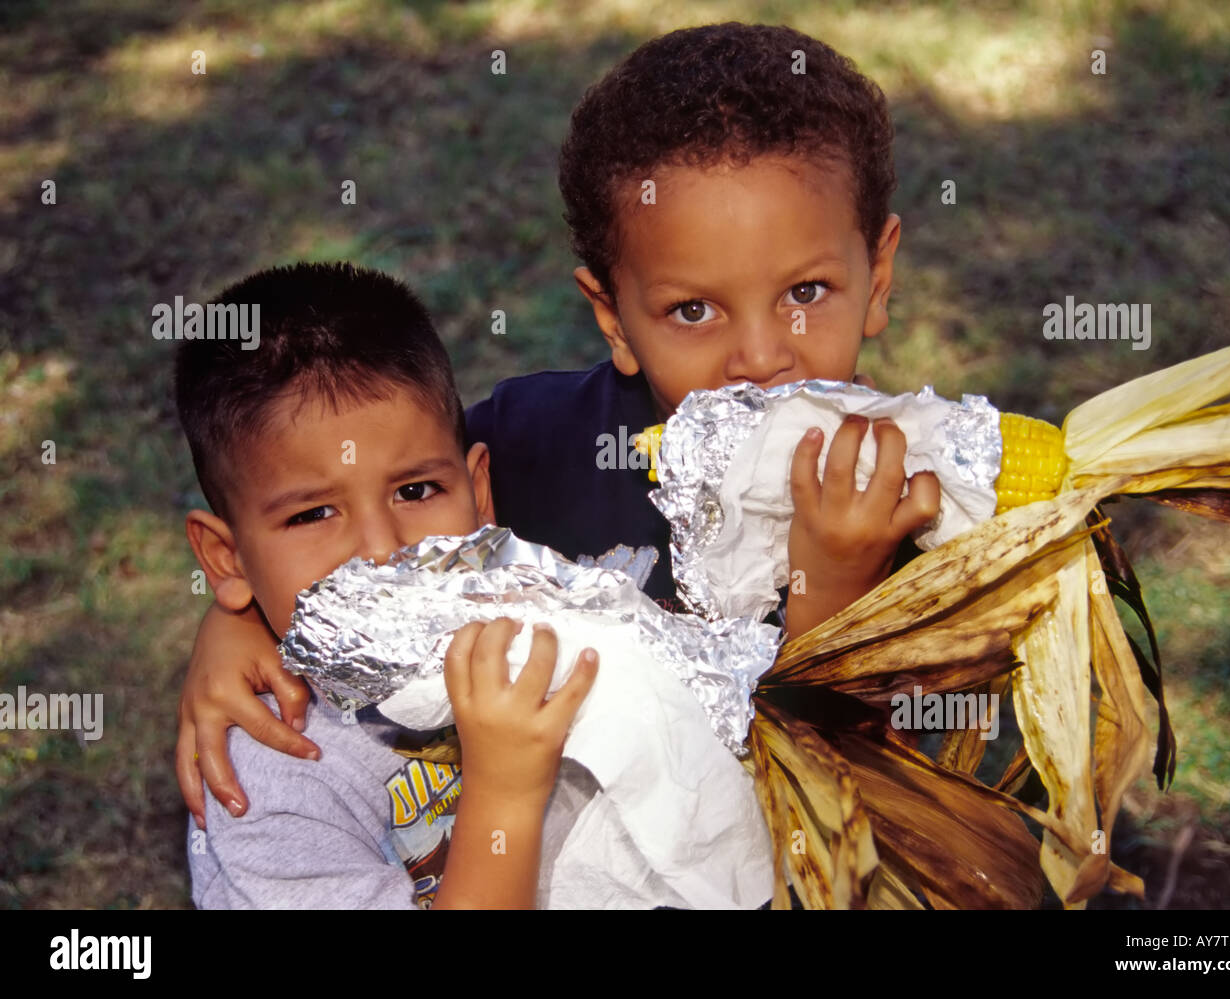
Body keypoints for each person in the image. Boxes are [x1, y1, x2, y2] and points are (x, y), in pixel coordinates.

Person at [175, 22, 940, 828]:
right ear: (613, 319)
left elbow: (876, 819)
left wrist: (839, 593)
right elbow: (341, 506)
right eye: (692, 309)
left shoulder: (926, 513)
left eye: (807, 293)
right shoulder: (529, 443)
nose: (758, 355)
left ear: (877, 276)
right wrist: (234, 624)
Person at [176, 262, 597, 907]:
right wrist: (505, 791)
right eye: (313, 514)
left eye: (416, 490)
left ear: (478, 496)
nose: (381, 549)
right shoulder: (272, 785)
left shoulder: (536, 620)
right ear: (227, 560)